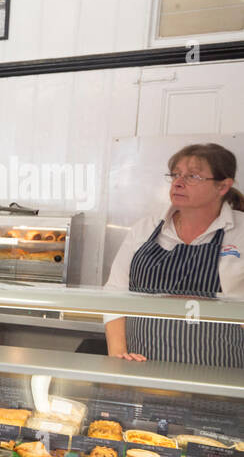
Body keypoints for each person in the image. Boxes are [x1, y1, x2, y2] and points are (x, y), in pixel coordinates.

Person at [103, 142, 244, 366]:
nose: (178, 183)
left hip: (221, 370)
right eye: (176, 174)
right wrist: (118, 355)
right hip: (142, 364)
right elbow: (115, 293)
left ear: (223, 186)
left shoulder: (240, 233)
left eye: (193, 176)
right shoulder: (145, 228)